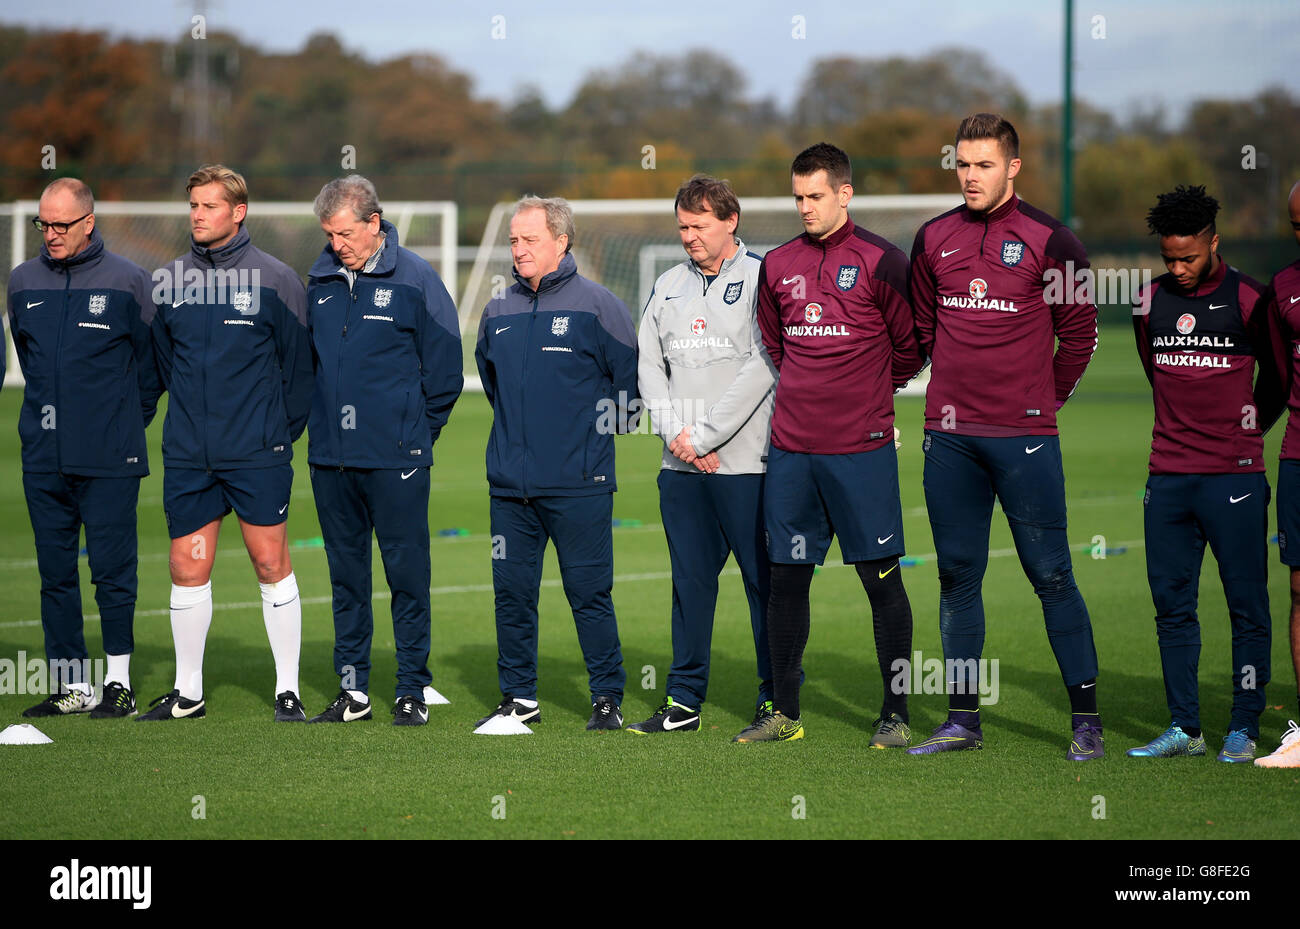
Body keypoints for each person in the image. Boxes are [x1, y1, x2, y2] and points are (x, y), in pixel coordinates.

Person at [907, 113, 1103, 759]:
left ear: (1013, 167)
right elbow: (925, 326)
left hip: (1024, 438)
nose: (970, 175)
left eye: (984, 164)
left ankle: (1085, 723)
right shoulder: (933, 236)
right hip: (951, 436)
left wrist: (1041, 403)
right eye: (963, 163)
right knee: (957, 574)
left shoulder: (1055, 240)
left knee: (1051, 573)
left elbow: (1079, 334)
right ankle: (963, 720)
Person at [737, 142, 925, 744]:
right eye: (797, 198)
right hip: (792, 450)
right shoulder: (777, 264)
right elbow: (777, 343)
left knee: (881, 581)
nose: (805, 208)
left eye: (815, 196)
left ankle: (895, 714)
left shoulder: (883, 261)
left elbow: (912, 346)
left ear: (845, 193)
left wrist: (866, 394)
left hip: (860, 452)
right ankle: (783, 713)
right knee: (787, 580)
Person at [139, 164, 313, 723]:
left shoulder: (278, 278)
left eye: (209, 206)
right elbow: (164, 364)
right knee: (189, 568)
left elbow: (299, 370)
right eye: (192, 205)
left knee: (269, 563)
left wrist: (271, 435)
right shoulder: (167, 281)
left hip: (257, 453)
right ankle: (188, 692)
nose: (197, 215)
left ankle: (288, 689)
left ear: (238, 212)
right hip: (190, 455)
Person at [1128, 185, 1283, 763]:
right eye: (1169, 258)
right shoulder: (1147, 303)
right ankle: (1184, 727)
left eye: (1189, 257)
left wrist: (1244, 433)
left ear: (1214, 243)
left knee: (1246, 606)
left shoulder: (1252, 299)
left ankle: (1242, 728)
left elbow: (1277, 383)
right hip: (1167, 478)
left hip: (1234, 478)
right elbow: (1156, 372)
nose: (1179, 268)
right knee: (1172, 605)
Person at [303, 176, 463, 727]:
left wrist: (412, 434)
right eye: (328, 234)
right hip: (330, 461)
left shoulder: (417, 278)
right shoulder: (319, 279)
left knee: (406, 578)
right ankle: (353, 693)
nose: (336, 244)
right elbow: (309, 367)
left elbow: (444, 373)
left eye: (344, 233)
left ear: (374, 223)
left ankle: (412, 689)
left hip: (396, 459)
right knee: (346, 582)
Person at [474, 196, 638, 731]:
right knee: (511, 596)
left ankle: (607, 700)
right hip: (509, 488)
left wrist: (583, 444)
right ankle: (519, 698)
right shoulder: (497, 310)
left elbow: (629, 392)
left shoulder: (599, 305)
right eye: (514, 240)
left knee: (589, 595)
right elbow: (496, 386)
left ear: (561, 242)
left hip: (579, 485)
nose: (518, 249)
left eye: (529, 240)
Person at [7, 178, 162, 718]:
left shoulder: (129, 281)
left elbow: (151, 369)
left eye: (61, 225)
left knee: (113, 572)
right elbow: (32, 364)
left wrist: (119, 424)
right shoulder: (21, 282)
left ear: (88, 222)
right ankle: (72, 684)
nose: (50, 234)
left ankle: (117, 682)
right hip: (43, 455)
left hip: (110, 456)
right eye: (43, 224)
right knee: (55, 573)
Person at [631, 175, 777, 735]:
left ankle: (775, 697)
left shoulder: (764, 276)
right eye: (683, 226)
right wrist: (678, 438)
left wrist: (707, 436)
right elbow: (649, 366)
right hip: (682, 468)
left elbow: (765, 362)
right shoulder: (667, 285)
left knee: (763, 586)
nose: (688, 236)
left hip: (747, 467)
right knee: (690, 585)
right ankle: (683, 702)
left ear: (730, 221)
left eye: (699, 225)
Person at [1257, 178, 1300, 768]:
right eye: (1295, 225)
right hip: (1298, 456)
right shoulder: (1285, 287)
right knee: (1298, 590)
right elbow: (1274, 380)